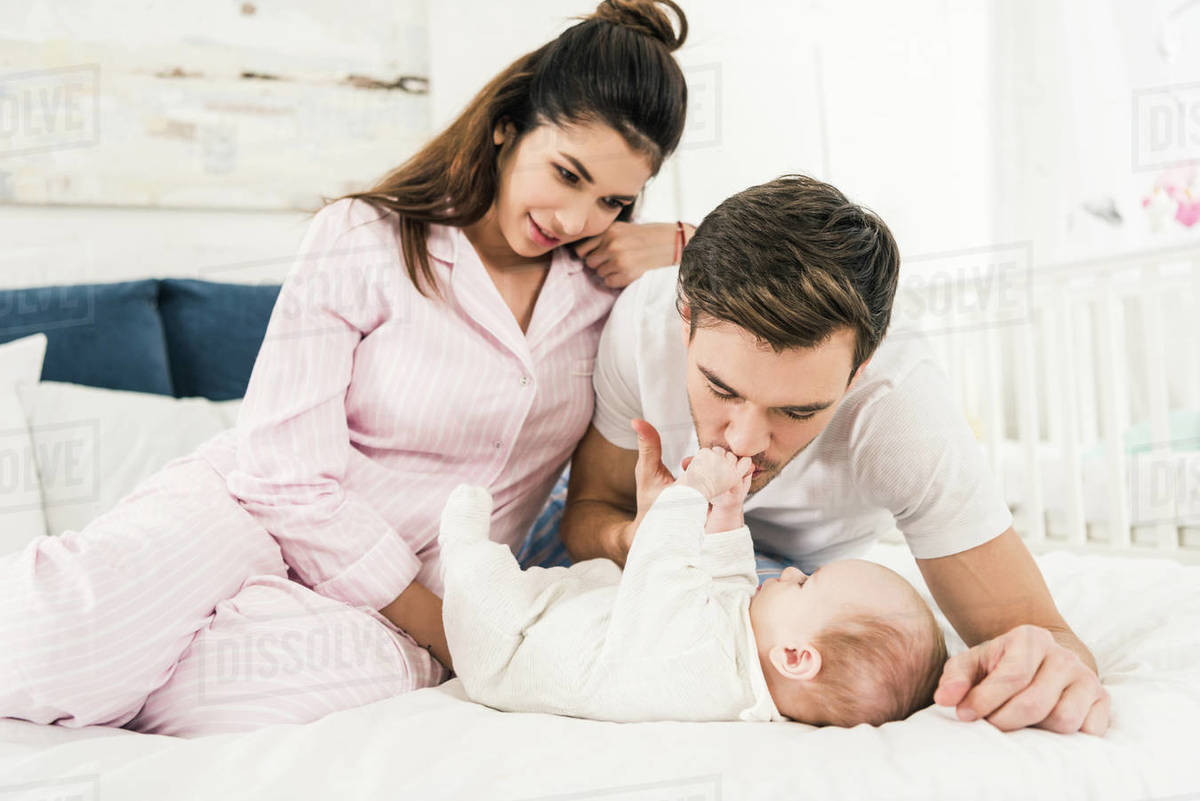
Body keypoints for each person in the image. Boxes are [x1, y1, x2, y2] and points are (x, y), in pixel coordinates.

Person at [0, 0, 694, 737]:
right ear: (507, 126)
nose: (578, 218)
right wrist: (451, 634)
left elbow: (769, 270)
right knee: (47, 647)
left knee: (225, 709)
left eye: (613, 201)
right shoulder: (365, 238)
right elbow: (280, 476)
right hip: (254, 522)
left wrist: (686, 239)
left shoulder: (611, 299)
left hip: (405, 608)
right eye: (566, 174)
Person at [558, 174, 1111, 736]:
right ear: (685, 320)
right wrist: (637, 539)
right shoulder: (644, 322)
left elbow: (1045, 636)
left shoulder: (900, 415)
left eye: (797, 411)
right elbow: (585, 514)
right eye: (721, 388)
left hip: (792, 580)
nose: (744, 441)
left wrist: (1046, 667)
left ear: (858, 373)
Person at [439, 445, 947, 726]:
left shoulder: (697, 658)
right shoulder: (748, 667)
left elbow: (661, 566)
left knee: (479, 579)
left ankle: (460, 543)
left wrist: (692, 491)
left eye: (805, 585)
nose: (792, 573)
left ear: (795, 657)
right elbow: (727, 583)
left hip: (510, 652)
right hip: (570, 618)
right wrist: (726, 511)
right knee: (597, 580)